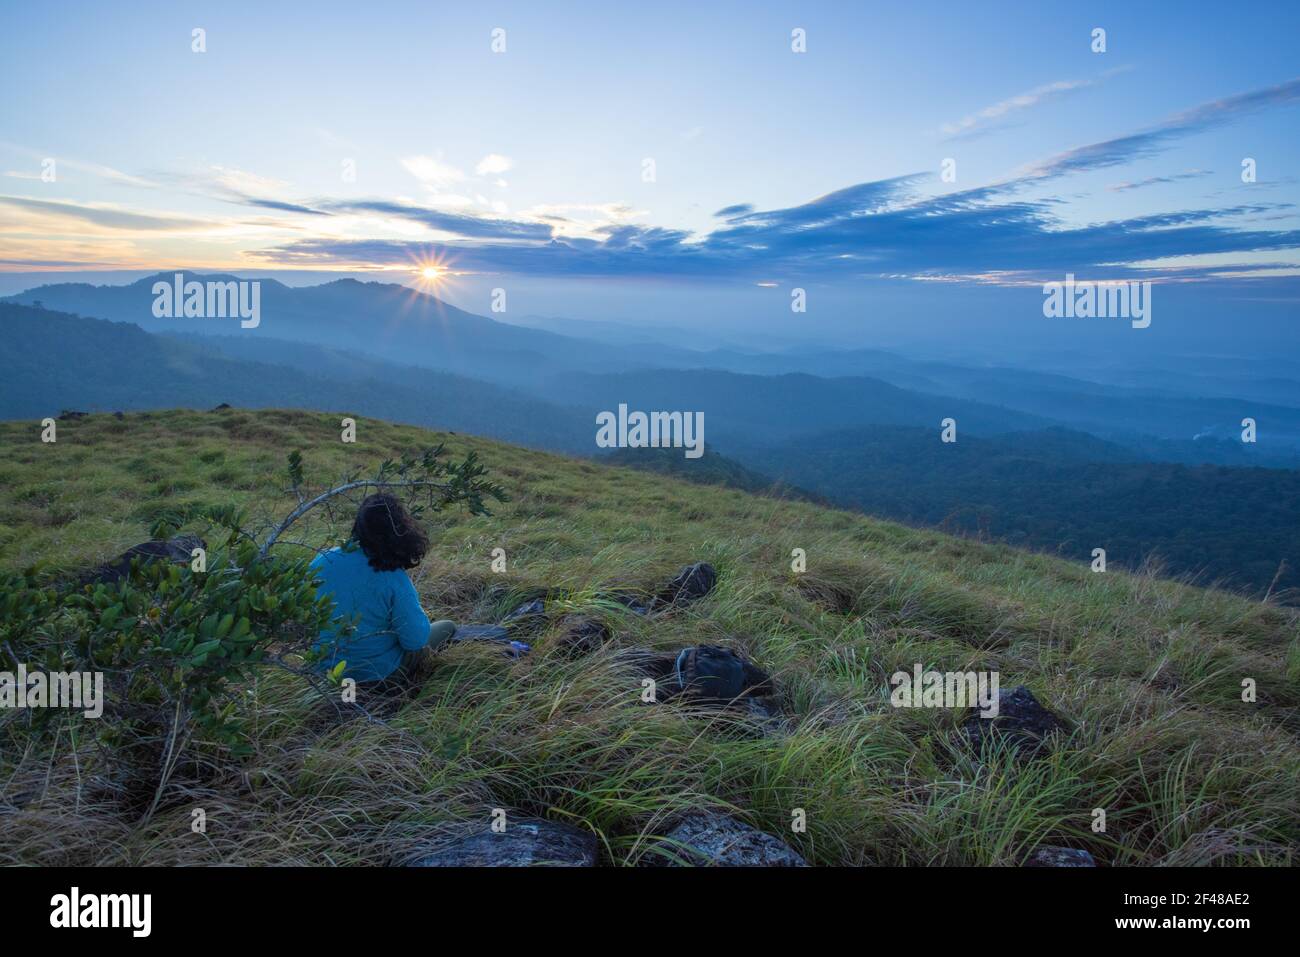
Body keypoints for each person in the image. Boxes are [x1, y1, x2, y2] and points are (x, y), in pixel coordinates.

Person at [310, 493, 456, 690]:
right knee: (447, 626)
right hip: (376, 677)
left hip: (321, 672)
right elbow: (415, 642)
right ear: (399, 531)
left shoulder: (321, 561)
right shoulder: (393, 577)